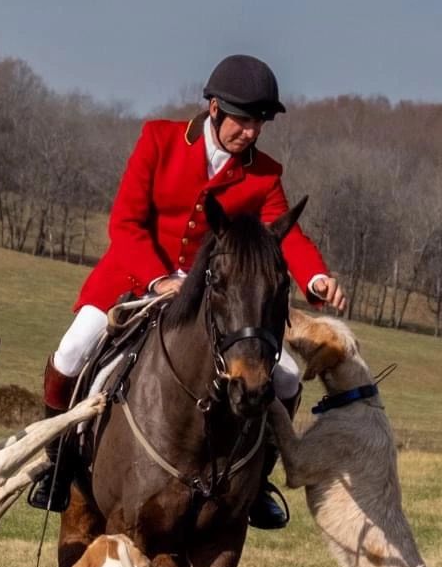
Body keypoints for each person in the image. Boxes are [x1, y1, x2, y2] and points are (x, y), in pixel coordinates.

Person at [28, 54, 345, 526]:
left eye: (259, 123)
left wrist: (314, 277)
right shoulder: (158, 140)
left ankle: (256, 482)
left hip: (214, 297)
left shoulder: (264, 173)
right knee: (72, 350)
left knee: (286, 378)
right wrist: (160, 278)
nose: (252, 132)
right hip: (135, 280)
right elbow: (126, 223)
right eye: (244, 120)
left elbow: (286, 235)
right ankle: (58, 464)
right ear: (214, 108)